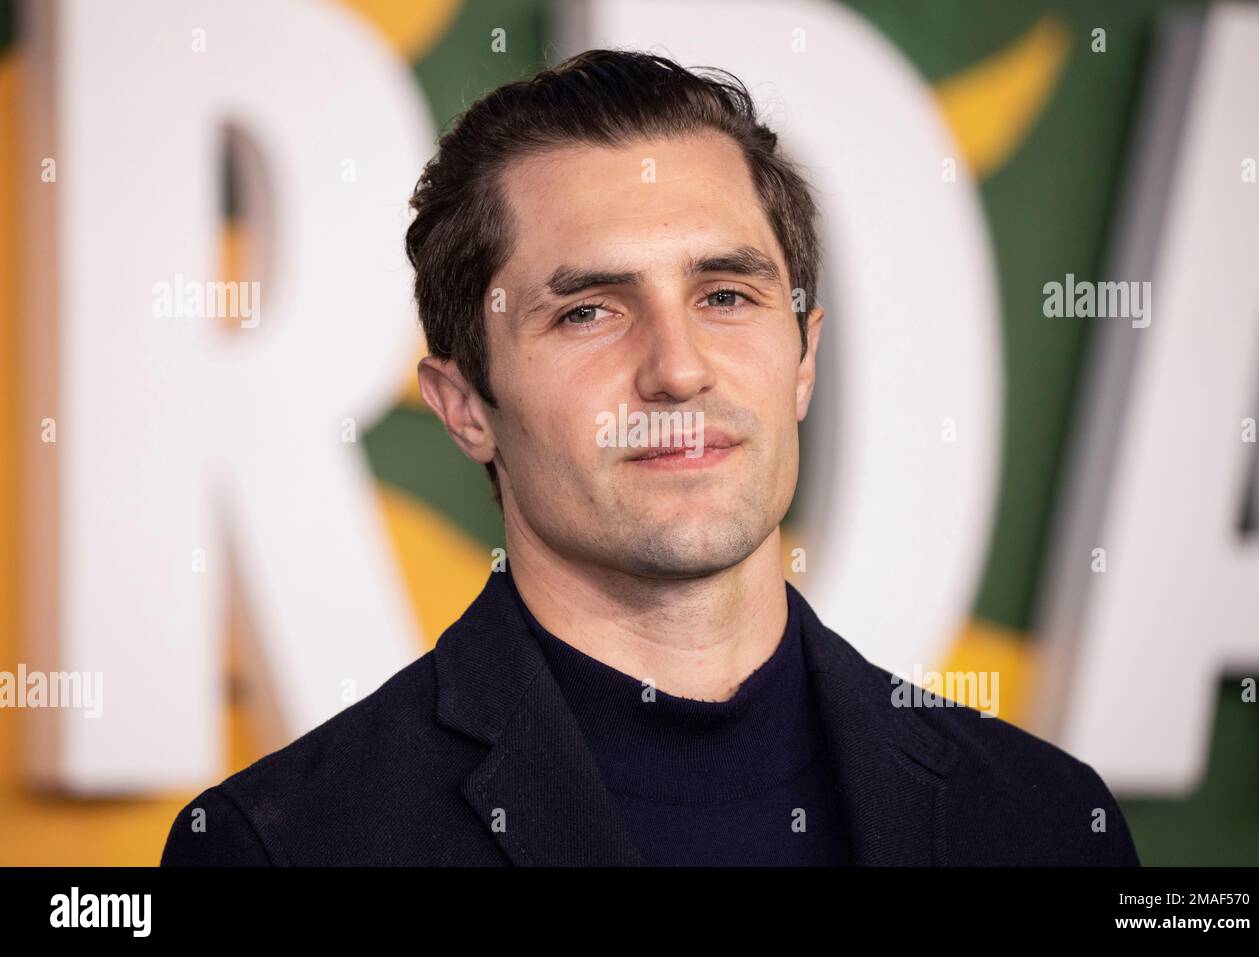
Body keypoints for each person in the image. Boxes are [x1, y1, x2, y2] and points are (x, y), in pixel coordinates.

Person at [161, 48, 1140, 867]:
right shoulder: (284, 850)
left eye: (725, 295)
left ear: (802, 358)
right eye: (588, 311)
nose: (677, 371)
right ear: (465, 409)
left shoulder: (1042, 821)